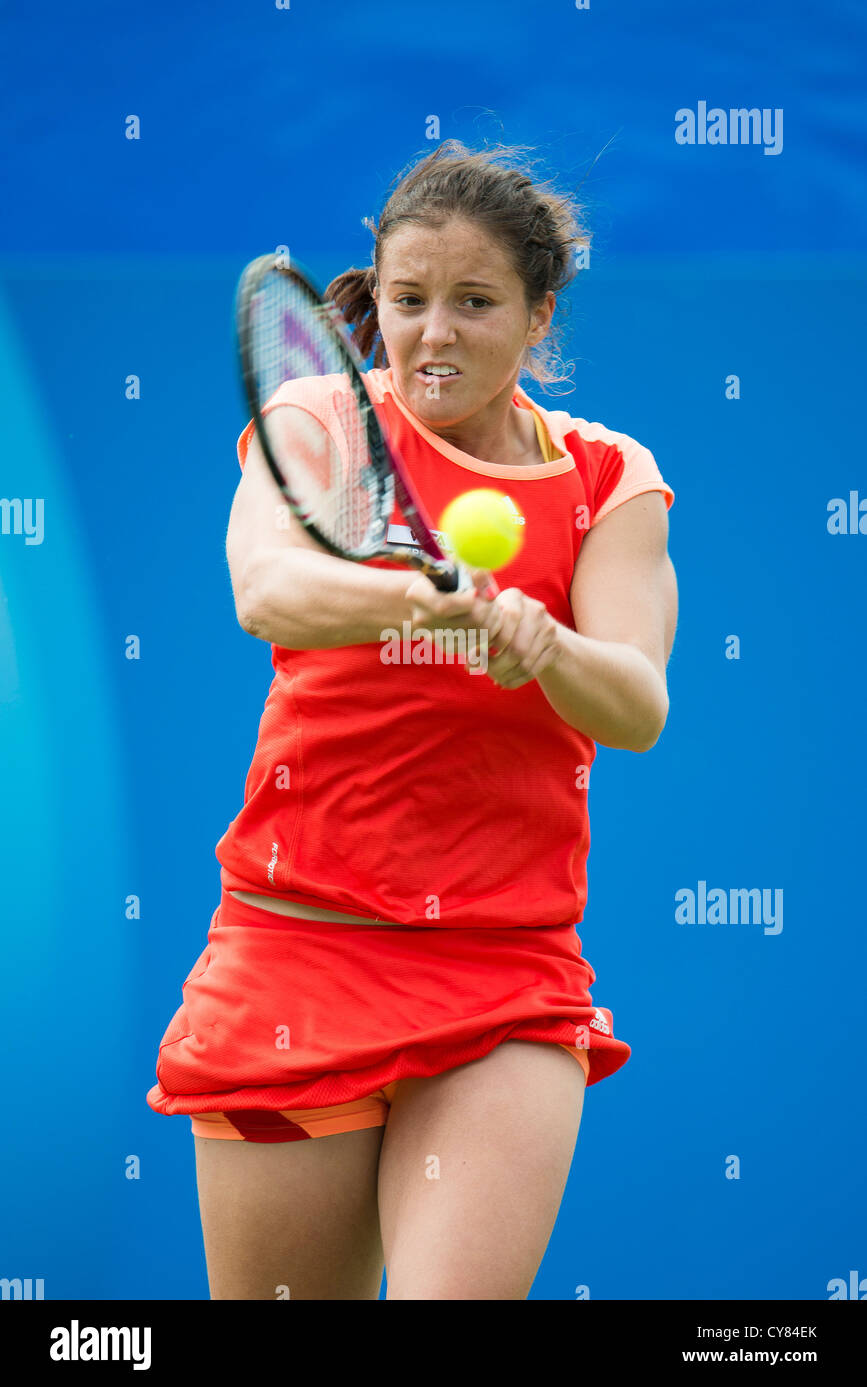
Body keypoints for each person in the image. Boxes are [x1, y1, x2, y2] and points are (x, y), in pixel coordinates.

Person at [146, 139, 677, 1301]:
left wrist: (549, 648)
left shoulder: (609, 479)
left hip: (504, 969)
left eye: (475, 303)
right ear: (374, 300)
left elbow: (636, 703)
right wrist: (421, 594)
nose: (434, 334)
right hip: (295, 943)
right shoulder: (321, 417)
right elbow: (266, 589)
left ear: (540, 316)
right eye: (408, 301)